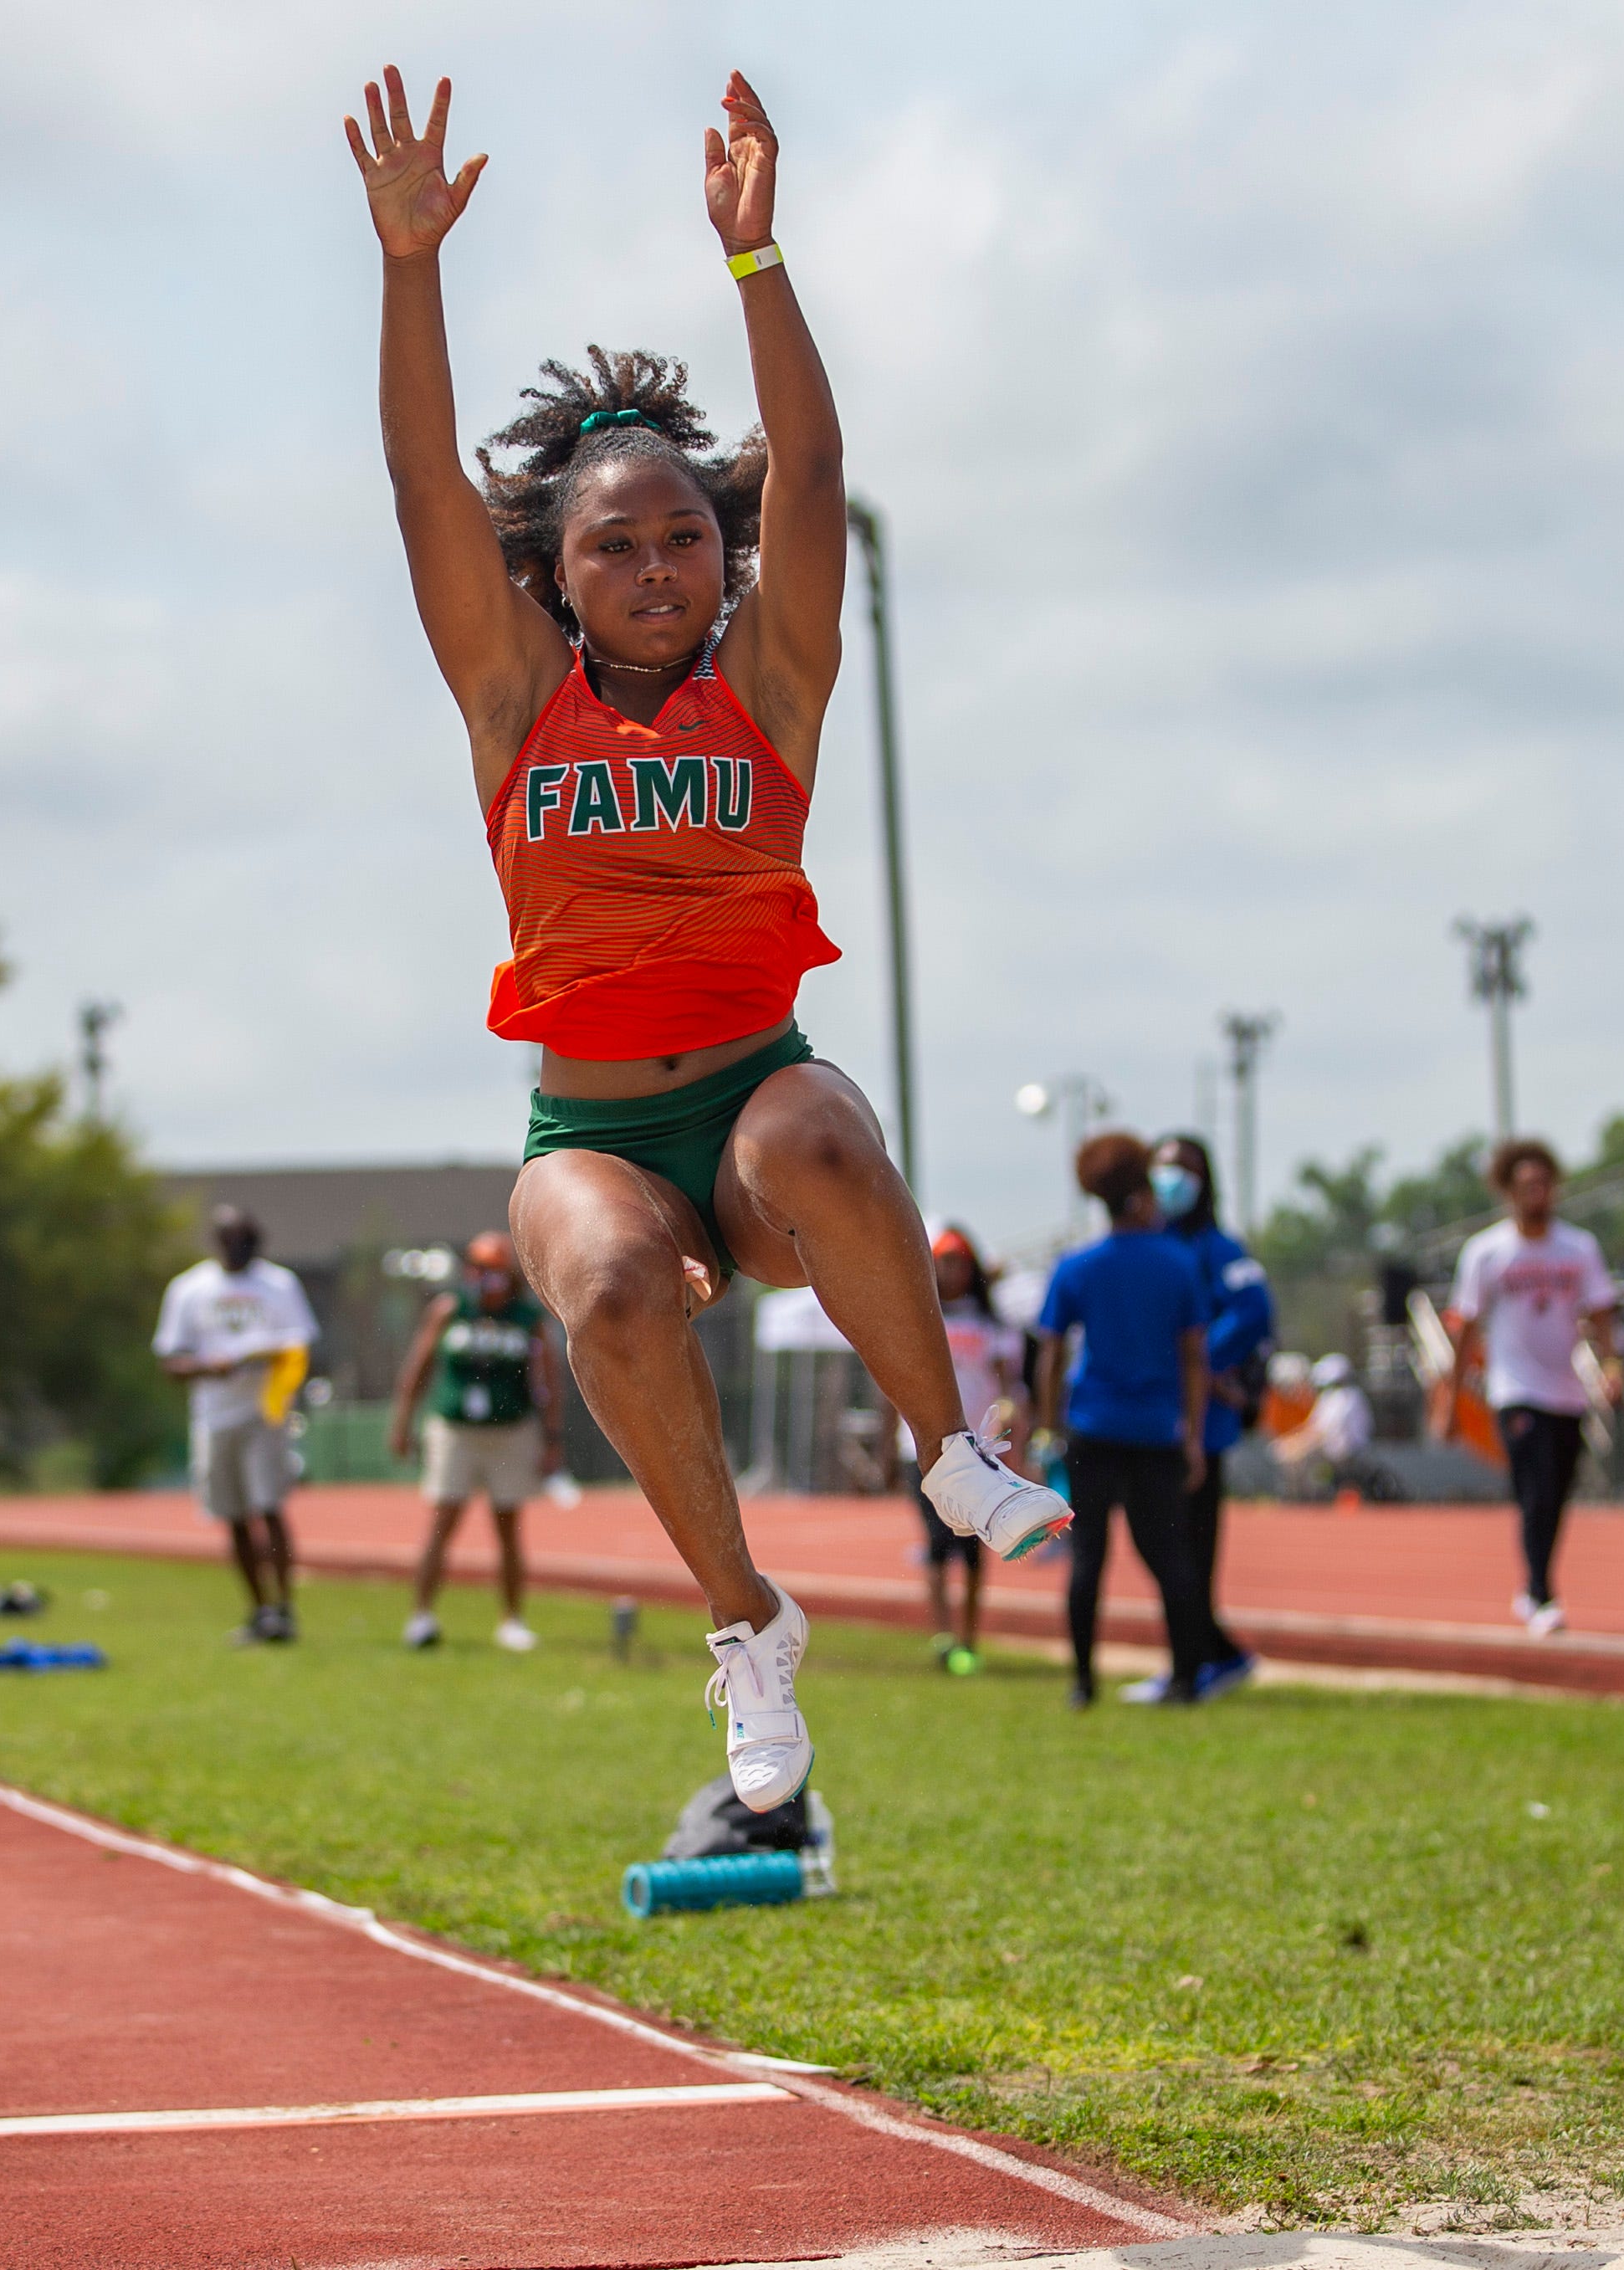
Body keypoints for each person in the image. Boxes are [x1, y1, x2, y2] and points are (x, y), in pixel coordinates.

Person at [344, 65, 1069, 1807]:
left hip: (748, 1102)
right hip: (592, 1125)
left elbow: (810, 461)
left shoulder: (772, 683)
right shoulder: (514, 695)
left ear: (721, 556)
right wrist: (410, 268)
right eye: (617, 546)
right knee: (596, 1280)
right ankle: (748, 1631)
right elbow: (419, 480)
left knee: (821, 1127)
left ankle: (947, 1452)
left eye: (684, 536)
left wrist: (758, 262)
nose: (658, 565)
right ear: (559, 570)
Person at [1032, 1133, 1212, 1709]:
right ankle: (1186, 1677)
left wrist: (1045, 1425)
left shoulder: (1076, 1266)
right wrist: (1192, 1432)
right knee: (1168, 1556)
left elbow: (1051, 1356)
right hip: (1157, 1429)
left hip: (1092, 1426)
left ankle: (1082, 1682)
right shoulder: (1179, 1263)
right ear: (1140, 1196)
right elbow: (1193, 1358)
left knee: (1088, 1556)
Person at [1442, 1139, 1616, 1636]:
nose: (1536, 1192)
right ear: (1509, 1191)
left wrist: (1610, 1362)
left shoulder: (1579, 1248)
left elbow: (1601, 1309)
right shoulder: (1486, 1252)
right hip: (1514, 1388)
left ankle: (1534, 1586)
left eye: (1543, 1183)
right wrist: (1451, 1402)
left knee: (1556, 1491)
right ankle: (1541, 1593)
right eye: (1526, 1185)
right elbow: (1466, 1328)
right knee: (1536, 1489)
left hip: (1568, 1390)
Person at [1140, 1133, 1273, 1699]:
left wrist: (1197, 1360)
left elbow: (1252, 1311)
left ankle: (1194, 1665)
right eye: (1163, 1167)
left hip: (1203, 1422)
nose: (1171, 1179)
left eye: (1185, 1169)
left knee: (1188, 1545)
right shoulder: (1144, 1243)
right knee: (1161, 1545)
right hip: (1149, 1418)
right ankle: (1204, 1655)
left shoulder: (1219, 1248)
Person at [389, 1231, 563, 1653]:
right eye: (481, 1268)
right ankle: (422, 1615)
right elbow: (420, 1365)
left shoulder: (526, 1318)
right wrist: (402, 1423)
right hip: (455, 1429)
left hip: (510, 1429)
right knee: (442, 1521)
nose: (487, 1278)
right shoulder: (450, 1309)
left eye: (496, 1271)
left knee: (508, 1527)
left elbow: (547, 1379)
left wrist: (551, 1437)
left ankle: (512, 1620)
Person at [154, 1207, 319, 1644]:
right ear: (217, 1242)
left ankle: (284, 1609)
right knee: (233, 1515)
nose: (239, 1249)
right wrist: (210, 1368)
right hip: (214, 1415)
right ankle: (258, 1608)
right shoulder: (190, 1288)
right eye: (231, 1240)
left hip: (264, 1413)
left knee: (270, 1506)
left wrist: (261, 1355)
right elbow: (171, 1360)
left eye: (247, 1240)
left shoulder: (279, 1284)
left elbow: (300, 1342)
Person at [893, 1227, 1028, 1677]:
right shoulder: (916, 1317)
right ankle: (944, 1636)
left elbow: (1010, 1390)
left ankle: (969, 1638)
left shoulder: (991, 1327)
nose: (951, 1270)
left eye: (959, 1261)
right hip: (921, 1448)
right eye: (942, 1261)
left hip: (977, 1449)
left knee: (971, 1549)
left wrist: (1015, 1425)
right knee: (935, 1544)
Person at [1273, 1353, 1375, 1485]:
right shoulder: (1329, 1397)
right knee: (1286, 1453)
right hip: (1328, 1452)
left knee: (1296, 1459)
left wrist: (1295, 1446)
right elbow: (1312, 1426)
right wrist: (1290, 1441)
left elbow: (1320, 1433)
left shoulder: (1347, 1398)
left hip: (1345, 1456)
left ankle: (1304, 1499)